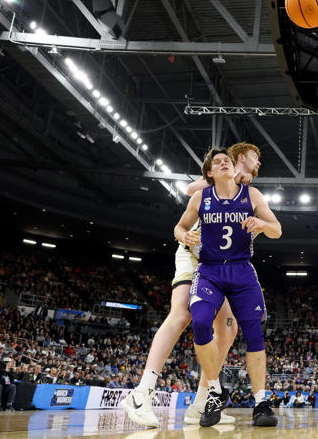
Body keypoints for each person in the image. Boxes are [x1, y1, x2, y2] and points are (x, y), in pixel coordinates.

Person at [122, 142, 261, 427]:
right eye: (257, 158)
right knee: (182, 314)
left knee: (228, 328)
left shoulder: (250, 193)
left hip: (223, 265)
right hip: (194, 254)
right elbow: (190, 190)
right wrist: (232, 176)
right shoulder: (218, 179)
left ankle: (203, 402)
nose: (259, 163)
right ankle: (141, 393)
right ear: (242, 158)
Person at [174, 148, 281, 427]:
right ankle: (214, 392)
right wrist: (184, 234)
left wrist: (262, 223)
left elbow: (277, 229)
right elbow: (179, 226)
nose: (223, 164)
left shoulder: (252, 195)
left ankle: (261, 402)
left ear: (235, 168)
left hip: (242, 268)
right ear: (210, 173)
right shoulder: (201, 197)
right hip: (209, 269)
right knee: (199, 323)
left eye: (227, 161)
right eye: (217, 162)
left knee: (254, 332)